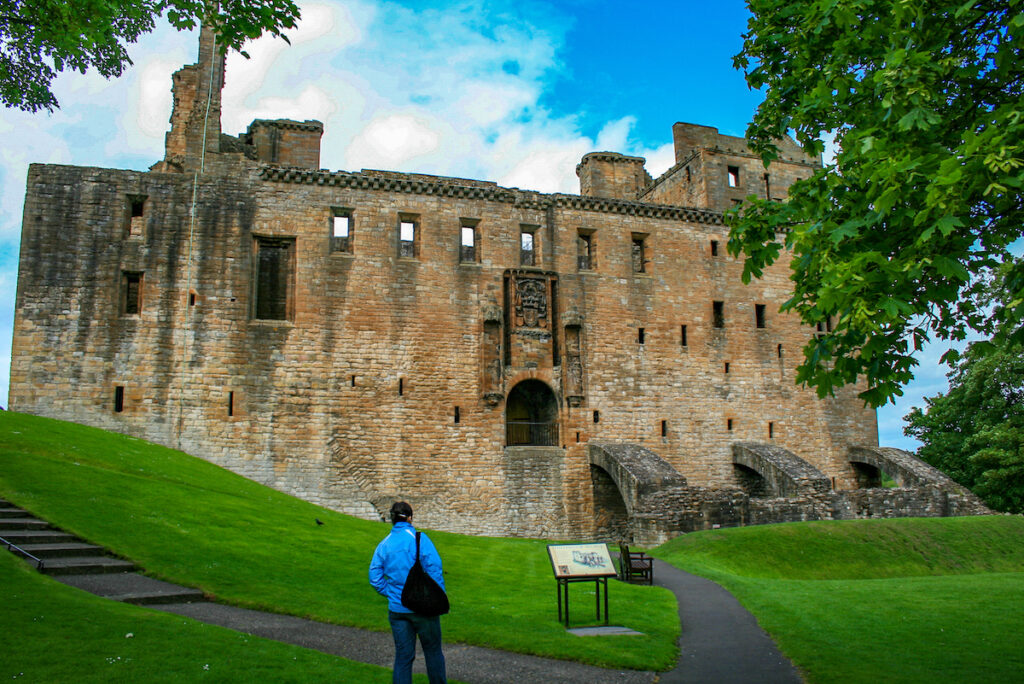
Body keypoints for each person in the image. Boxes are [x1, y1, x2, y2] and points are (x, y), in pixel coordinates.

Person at [369, 501, 447, 684]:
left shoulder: (384, 544)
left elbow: (375, 576)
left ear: (392, 519)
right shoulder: (419, 539)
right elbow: (434, 568)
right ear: (410, 518)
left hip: (398, 609)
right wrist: (437, 597)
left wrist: (391, 593)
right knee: (433, 651)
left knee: (403, 657)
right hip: (423, 608)